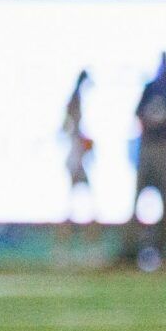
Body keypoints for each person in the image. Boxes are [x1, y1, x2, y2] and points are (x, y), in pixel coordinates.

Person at [123, 52, 166, 266]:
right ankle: (130, 250)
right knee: (138, 199)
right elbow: (139, 115)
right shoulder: (150, 88)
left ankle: (162, 249)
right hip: (150, 147)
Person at [61, 69, 95, 229]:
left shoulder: (79, 101)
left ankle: (88, 236)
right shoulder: (74, 103)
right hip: (75, 156)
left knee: (85, 198)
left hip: (79, 154)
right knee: (75, 199)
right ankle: (63, 240)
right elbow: (66, 128)